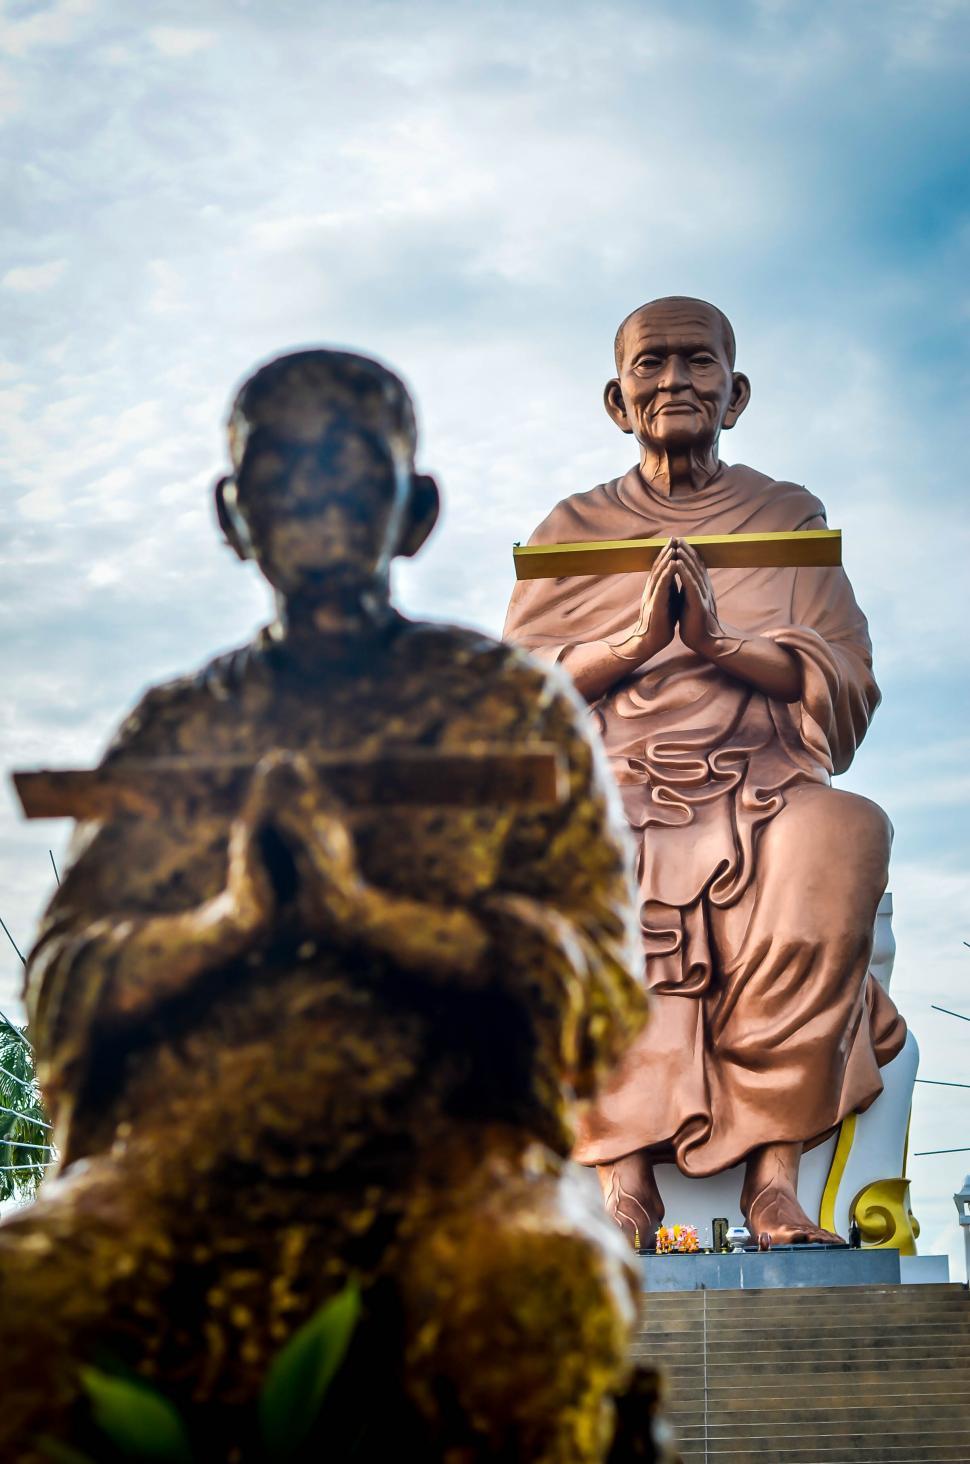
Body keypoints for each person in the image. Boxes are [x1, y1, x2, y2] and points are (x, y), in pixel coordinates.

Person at [3, 350, 653, 1461]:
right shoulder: (176, 730)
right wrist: (229, 924)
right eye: (281, 479)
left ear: (416, 510)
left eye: (352, 477)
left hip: (445, 1162)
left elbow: (600, 991)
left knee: (536, 1291)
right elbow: (62, 979)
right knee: (24, 1296)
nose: (316, 506)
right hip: (191, 1165)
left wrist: (372, 917)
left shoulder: (510, 710)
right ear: (231, 512)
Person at [504, 296, 906, 1246]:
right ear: (617, 397)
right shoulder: (572, 529)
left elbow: (845, 679)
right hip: (614, 782)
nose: (674, 381)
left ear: (737, 392)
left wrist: (722, 643)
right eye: (652, 364)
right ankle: (623, 1177)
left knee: (846, 831)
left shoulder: (784, 516)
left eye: (697, 362)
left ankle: (773, 1181)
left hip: (763, 781)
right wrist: (635, 641)